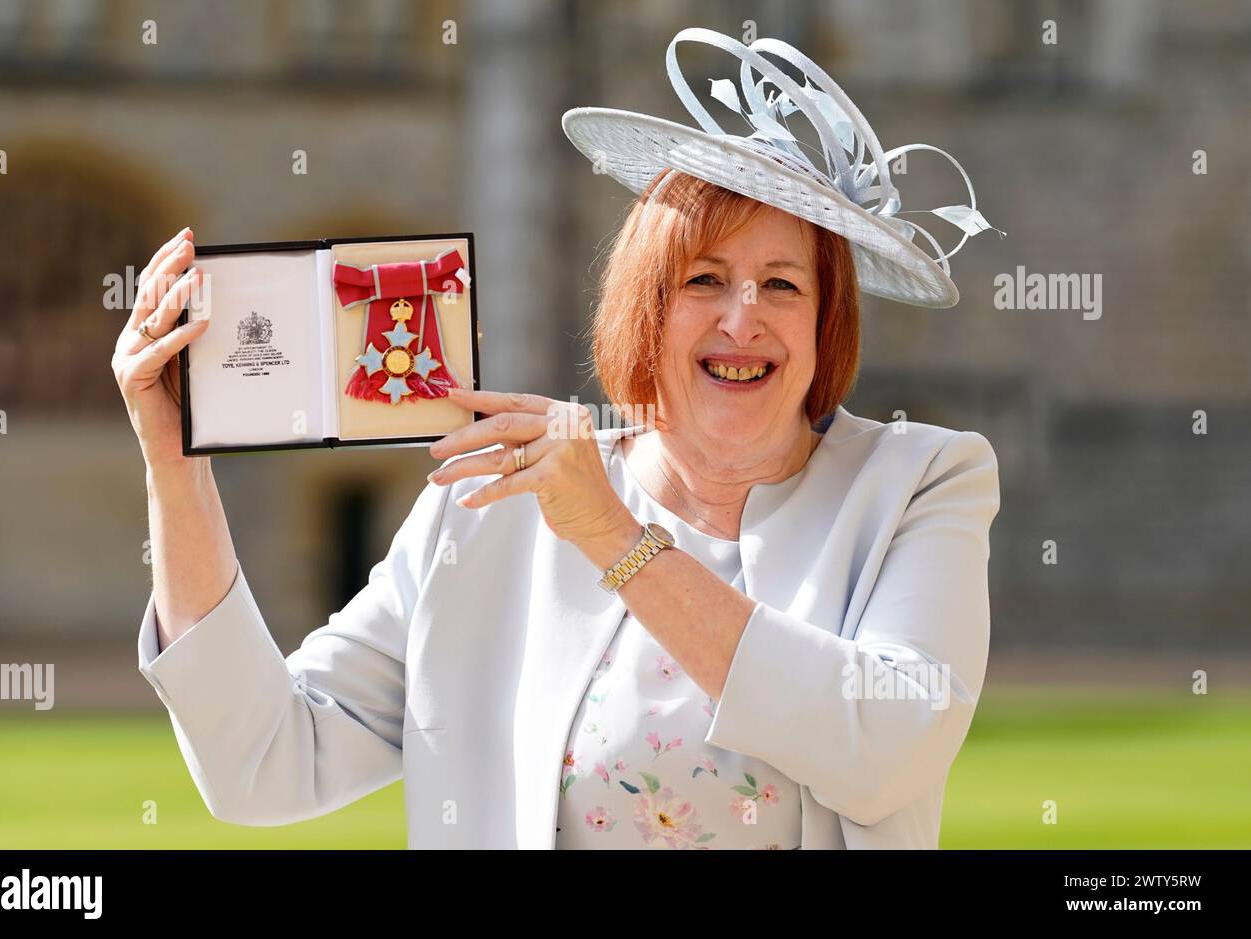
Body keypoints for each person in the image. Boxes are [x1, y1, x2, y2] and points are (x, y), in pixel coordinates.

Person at [113, 27, 1001, 849]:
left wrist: (612, 534)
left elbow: (889, 747)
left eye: (782, 285)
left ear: (827, 322)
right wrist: (173, 458)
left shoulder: (923, 481)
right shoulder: (488, 509)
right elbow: (265, 761)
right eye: (704, 279)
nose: (744, 318)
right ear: (647, 312)